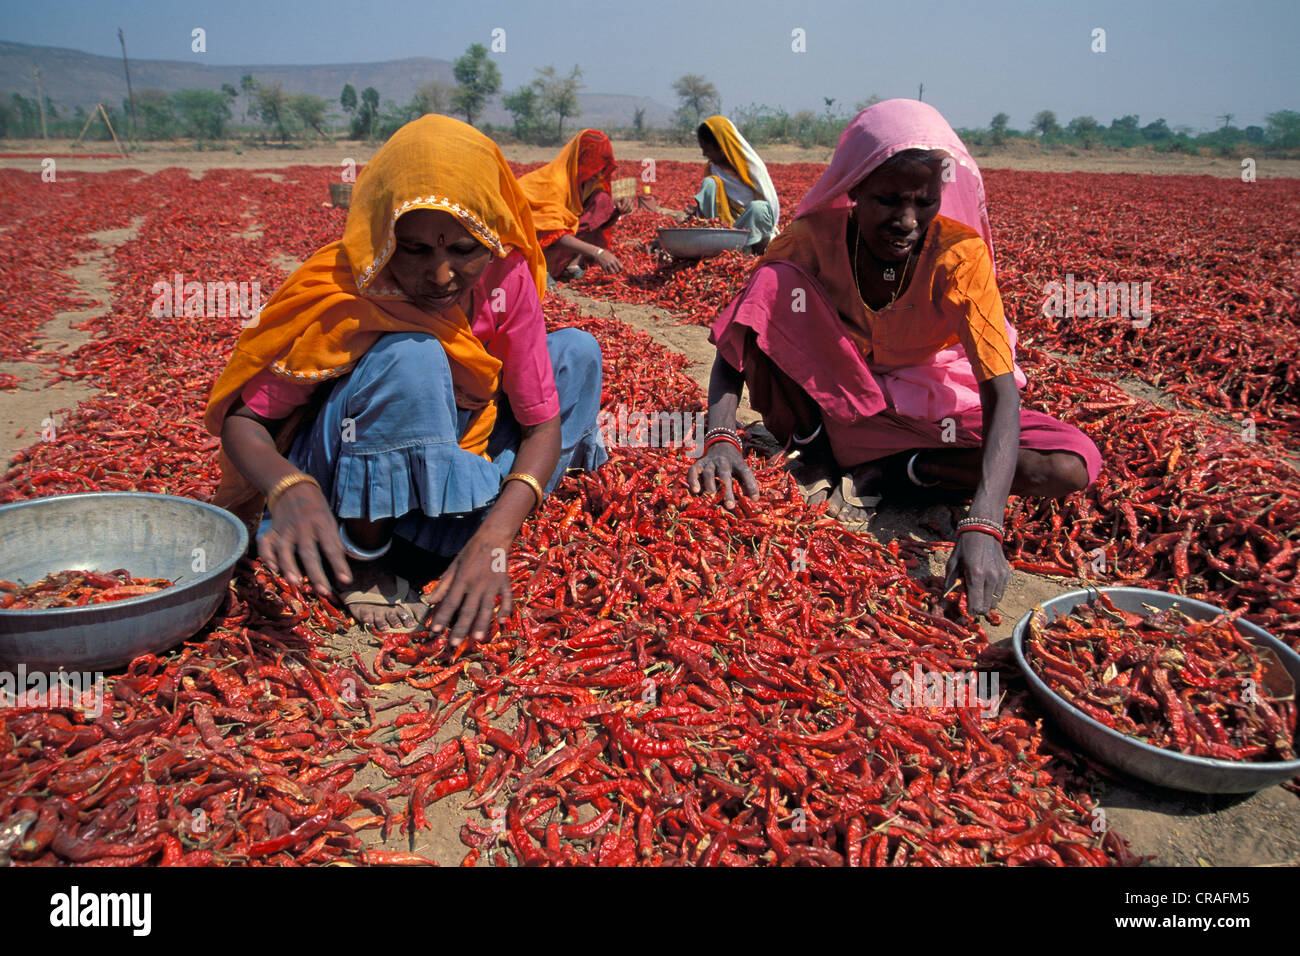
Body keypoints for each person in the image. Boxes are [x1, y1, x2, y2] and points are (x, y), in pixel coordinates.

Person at [686, 99, 1100, 616]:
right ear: (854, 188)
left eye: (924, 202)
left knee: (1066, 465)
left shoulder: (958, 255)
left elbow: (1000, 389)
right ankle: (826, 449)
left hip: (928, 404)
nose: (907, 221)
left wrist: (985, 523)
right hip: (840, 396)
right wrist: (721, 438)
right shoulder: (812, 240)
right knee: (774, 282)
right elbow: (742, 332)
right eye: (888, 200)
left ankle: (900, 469)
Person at [204, 115, 607, 641]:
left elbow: (542, 425)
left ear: (491, 235)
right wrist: (288, 487)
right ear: (384, 234)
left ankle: (462, 536)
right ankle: (365, 559)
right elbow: (245, 421)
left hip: (456, 476)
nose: (441, 276)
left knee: (576, 350)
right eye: (414, 250)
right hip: (339, 494)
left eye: (464, 250)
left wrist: (496, 539)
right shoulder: (352, 278)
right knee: (414, 353)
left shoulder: (507, 276)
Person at [642, 115, 779, 253]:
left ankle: (748, 250)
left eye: (707, 149)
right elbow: (699, 214)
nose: (704, 154)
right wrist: (667, 239)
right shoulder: (714, 171)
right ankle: (717, 243)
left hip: (753, 231)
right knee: (709, 183)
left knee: (759, 208)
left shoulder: (752, 169)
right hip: (724, 232)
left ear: (721, 147)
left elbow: (770, 208)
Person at [517, 128, 633, 281]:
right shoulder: (554, 185)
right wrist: (598, 252)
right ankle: (539, 268)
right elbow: (552, 232)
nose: (599, 174)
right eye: (594, 168)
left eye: (602, 168)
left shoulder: (587, 184)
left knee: (602, 200)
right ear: (580, 161)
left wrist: (617, 208)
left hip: (556, 241)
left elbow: (598, 216)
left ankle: (571, 264)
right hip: (525, 246)